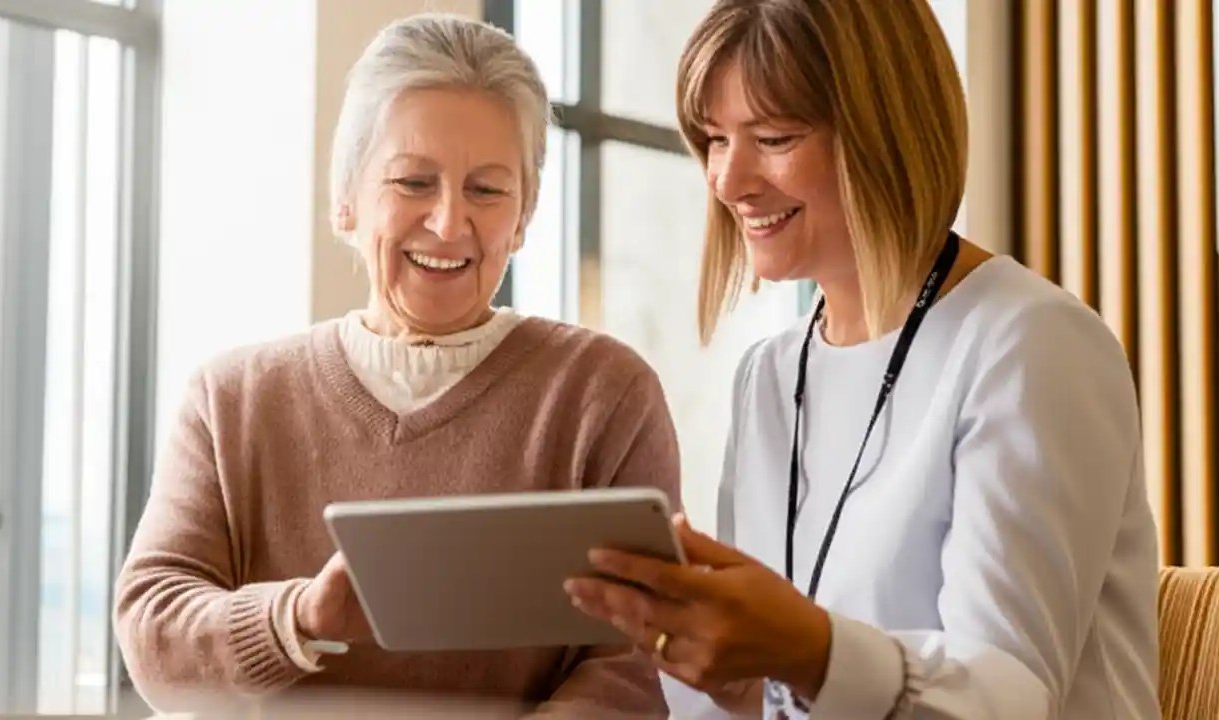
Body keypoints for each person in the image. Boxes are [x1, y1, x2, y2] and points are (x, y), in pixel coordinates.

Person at [564, 1, 1160, 717]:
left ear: (888, 136)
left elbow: (1010, 696)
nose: (726, 180)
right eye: (716, 139)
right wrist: (725, 676)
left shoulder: (1029, 345)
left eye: (774, 137)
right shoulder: (771, 376)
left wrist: (808, 651)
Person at [114, 14, 677, 718]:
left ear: (526, 213)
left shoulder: (603, 393)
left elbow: (640, 661)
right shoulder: (231, 399)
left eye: (487, 190)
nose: (448, 223)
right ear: (344, 201)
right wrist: (300, 619)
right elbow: (152, 631)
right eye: (413, 182)